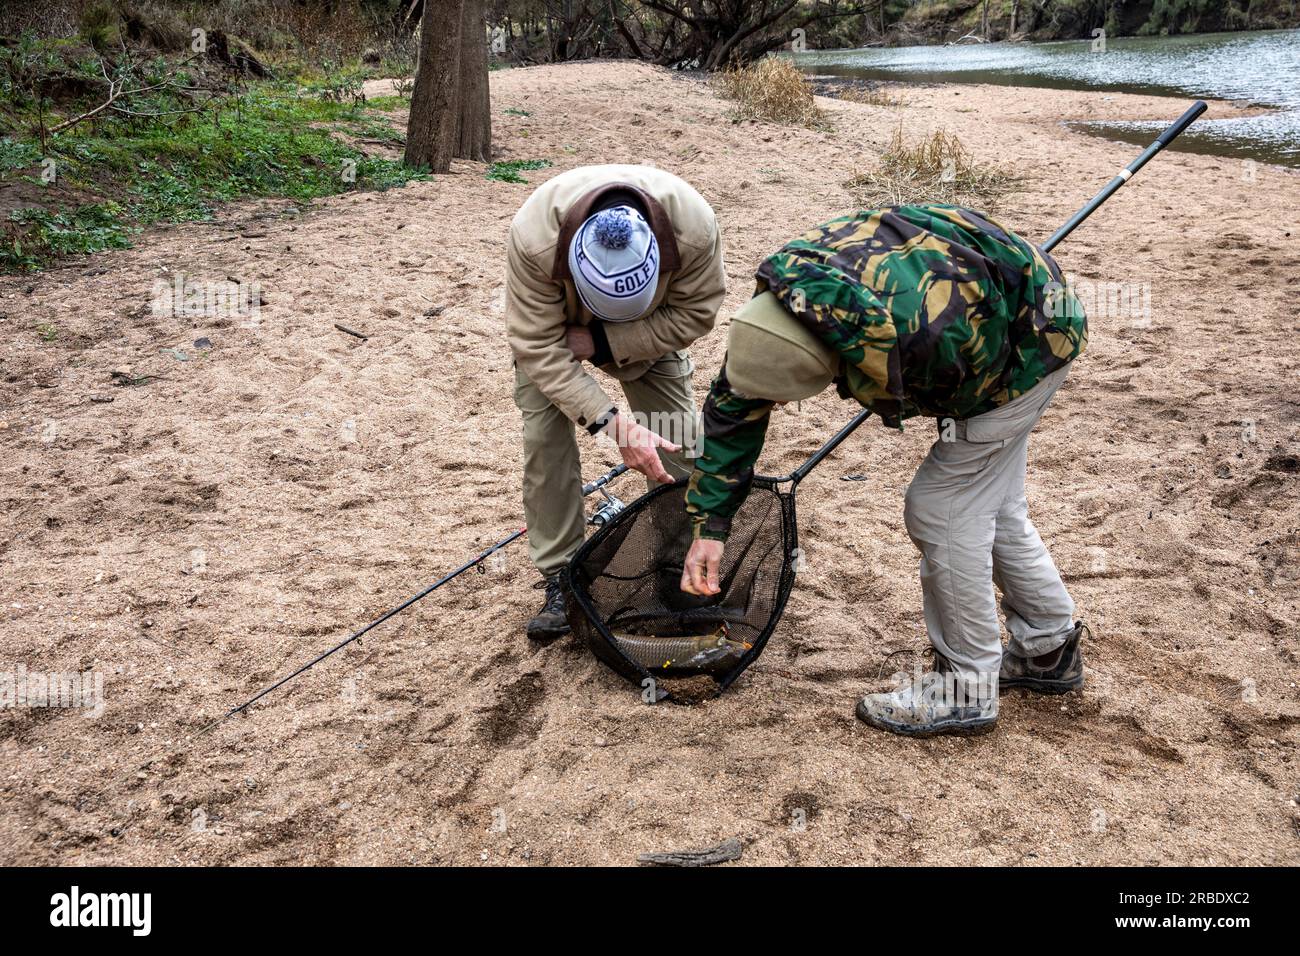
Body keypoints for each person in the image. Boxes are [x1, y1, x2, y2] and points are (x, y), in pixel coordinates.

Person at [680, 204, 1087, 736]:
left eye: (781, 402)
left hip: (1026, 347)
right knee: (988, 503)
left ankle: (967, 690)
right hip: (987, 303)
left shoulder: (926, 337)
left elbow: (967, 397)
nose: (773, 408)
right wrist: (710, 524)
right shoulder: (776, 310)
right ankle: (1048, 649)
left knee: (942, 506)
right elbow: (735, 410)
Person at [506, 164, 726, 640]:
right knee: (546, 443)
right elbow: (537, 347)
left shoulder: (694, 227)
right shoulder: (533, 238)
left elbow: (697, 312)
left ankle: (676, 568)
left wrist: (603, 342)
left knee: (680, 443)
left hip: (650, 337)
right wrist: (616, 427)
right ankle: (562, 576)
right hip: (553, 336)